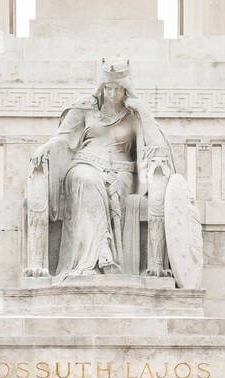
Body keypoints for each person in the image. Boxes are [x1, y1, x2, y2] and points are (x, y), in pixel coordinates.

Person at [30, 58, 175, 279]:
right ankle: (99, 253)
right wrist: (46, 148)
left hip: (121, 174)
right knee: (87, 180)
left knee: (104, 186)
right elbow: (63, 138)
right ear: (102, 87)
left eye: (119, 88)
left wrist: (145, 113)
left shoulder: (134, 115)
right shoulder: (84, 109)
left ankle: (101, 253)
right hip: (85, 165)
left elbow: (157, 146)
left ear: (127, 88)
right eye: (109, 88)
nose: (114, 93)